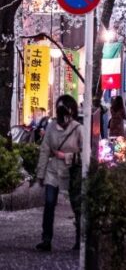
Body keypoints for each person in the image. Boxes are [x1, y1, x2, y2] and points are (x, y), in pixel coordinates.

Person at [35, 95, 83, 252]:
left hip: (72, 171)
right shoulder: (51, 127)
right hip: (53, 171)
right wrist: (40, 174)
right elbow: (44, 150)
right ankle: (46, 239)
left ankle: (80, 240)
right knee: (49, 203)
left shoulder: (78, 129)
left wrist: (66, 156)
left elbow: (86, 154)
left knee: (77, 206)